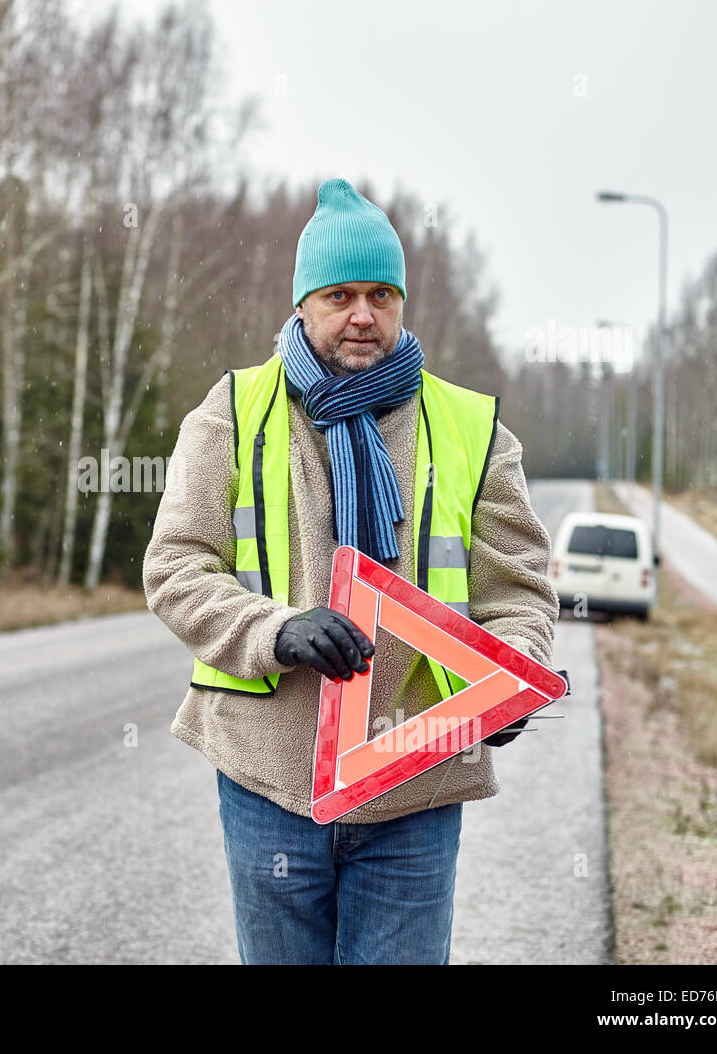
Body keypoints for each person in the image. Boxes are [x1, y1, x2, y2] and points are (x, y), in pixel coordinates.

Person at [142, 177, 559, 965]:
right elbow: (175, 565)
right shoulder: (233, 411)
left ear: (402, 304)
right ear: (302, 304)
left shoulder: (474, 428)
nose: (363, 314)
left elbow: (521, 592)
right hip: (269, 776)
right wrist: (275, 629)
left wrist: (511, 674)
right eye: (339, 295)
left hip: (417, 781)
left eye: (381, 294)